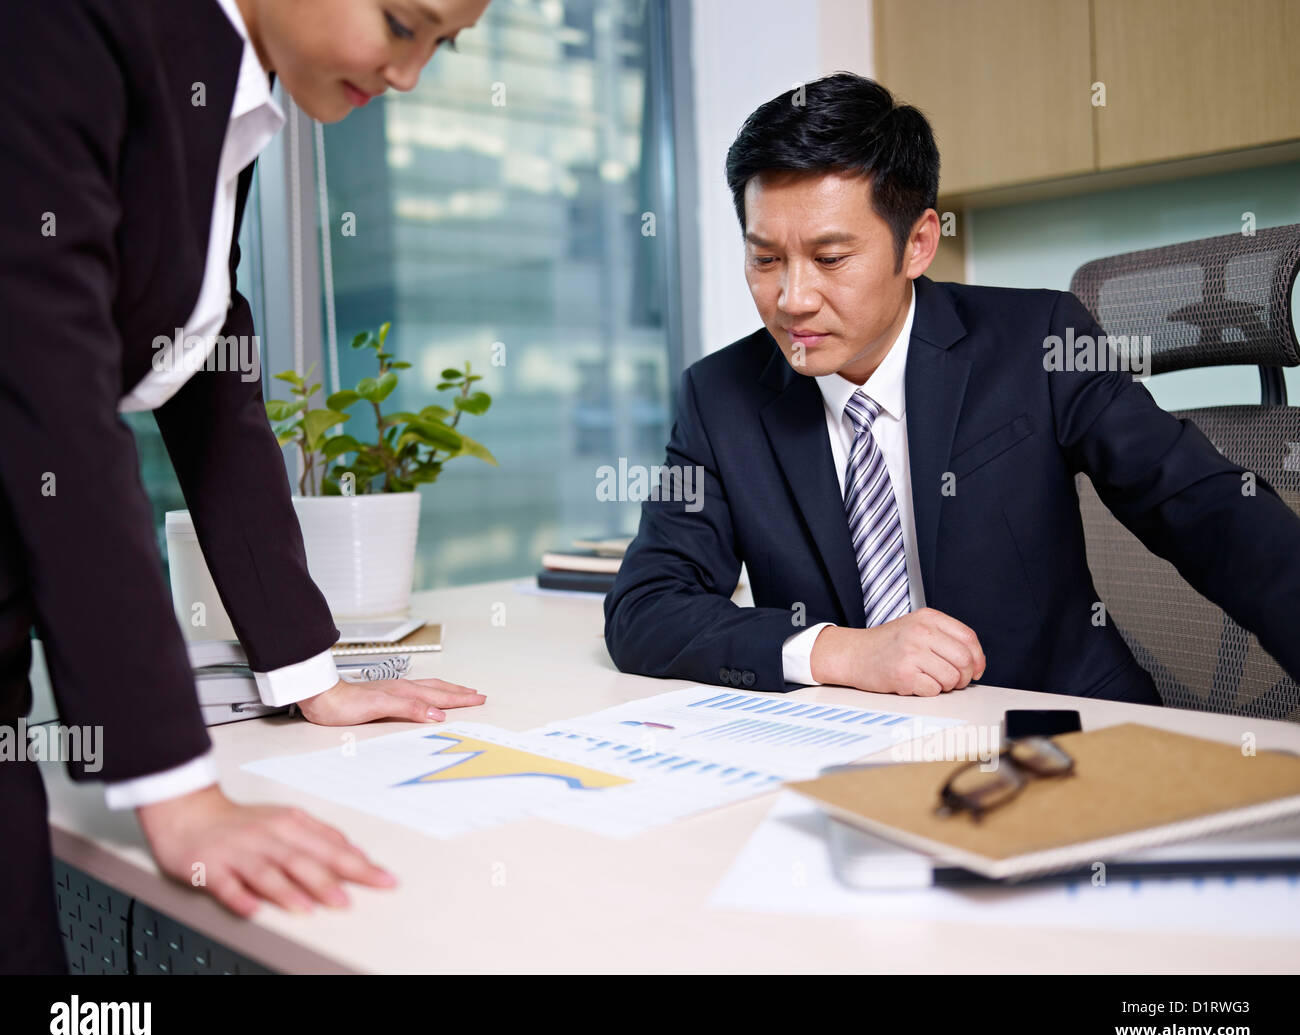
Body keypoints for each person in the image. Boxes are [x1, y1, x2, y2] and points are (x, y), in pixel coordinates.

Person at [0, 0, 491, 973]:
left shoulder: (224, 89)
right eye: (402, 23)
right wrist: (177, 791)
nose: (409, 76)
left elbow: (207, 369)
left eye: (445, 43)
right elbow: (47, 392)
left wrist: (308, 670)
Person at [605, 73, 1300, 703]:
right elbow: (644, 608)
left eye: (830, 258)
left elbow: (1207, 510)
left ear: (919, 244)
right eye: (764, 259)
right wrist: (841, 651)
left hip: (1059, 734)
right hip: (849, 753)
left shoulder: (1038, 341)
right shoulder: (720, 395)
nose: (792, 299)